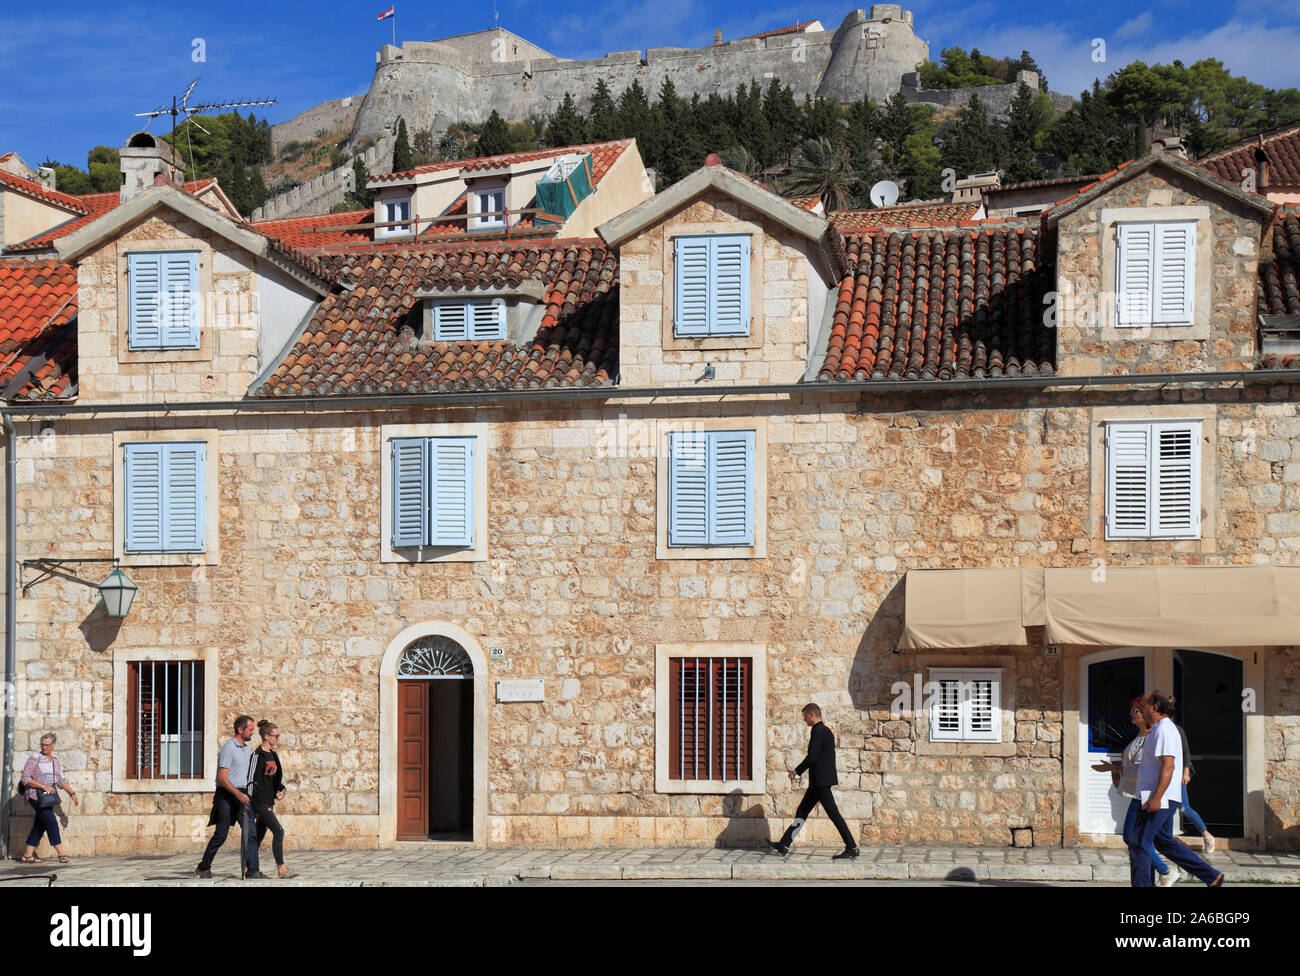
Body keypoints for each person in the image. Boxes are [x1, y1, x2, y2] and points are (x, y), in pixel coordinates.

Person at [1128, 692, 1223, 888]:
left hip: (1158, 799)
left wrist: (1156, 798)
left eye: (1143, 705)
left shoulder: (1164, 730)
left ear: (1154, 707)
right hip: (1157, 797)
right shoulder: (1157, 729)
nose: (1141, 709)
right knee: (1162, 841)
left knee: (1138, 842)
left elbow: (1168, 766)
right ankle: (1211, 876)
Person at [1093, 699, 1176, 886]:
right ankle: (1152, 879)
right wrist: (1113, 769)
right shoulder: (1138, 737)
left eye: (1135, 711)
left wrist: (1117, 768)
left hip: (1145, 795)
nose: (1131, 714)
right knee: (1140, 839)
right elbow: (1128, 764)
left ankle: (1165, 871)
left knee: (1133, 837)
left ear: (1145, 714)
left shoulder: (1151, 738)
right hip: (1137, 794)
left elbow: (1143, 770)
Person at [769, 703, 859, 859]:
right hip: (818, 782)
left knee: (834, 815)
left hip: (820, 783)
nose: (804, 720)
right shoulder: (825, 731)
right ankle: (784, 844)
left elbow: (812, 757)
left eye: (805, 717)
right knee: (802, 812)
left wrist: (796, 772)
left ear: (811, 715)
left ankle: (852, 847)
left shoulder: (818, 732)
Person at [196, 714, 265, 880]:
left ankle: (253, 871)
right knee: (221, 834)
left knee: (250, 831)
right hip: (226, 795)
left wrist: (250, 792)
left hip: (242, 794)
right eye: (250, 730)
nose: (252, 733)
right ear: (240, 730)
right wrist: (238, 794)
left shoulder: (246, 749)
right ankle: (203, 867)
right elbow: (222, 777)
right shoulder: (229, 748)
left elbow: (244, 775)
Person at [17, 733, 79, 864]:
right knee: (51, 821)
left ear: (53, 745)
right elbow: (25, 779)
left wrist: (72, 794)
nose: (44, 747)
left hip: (48, 797)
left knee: (40, 824)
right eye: (42, 745)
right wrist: (42, 786)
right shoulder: (35, 758)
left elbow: (61, 780)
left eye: (47, 745)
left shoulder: (55, 760)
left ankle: (27, 855)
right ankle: (61, 853)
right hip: (35, 796)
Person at [249, 720, 297, 880]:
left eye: (279, 736)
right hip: (260, 802)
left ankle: (248, 868)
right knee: (278, 831)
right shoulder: (257, 756)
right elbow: (251, 781)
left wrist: (282, 790)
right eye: (276, 736)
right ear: (266, 736)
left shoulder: (273, 755)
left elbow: (276, 780)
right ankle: (281, 869)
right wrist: (252, 804)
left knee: (258, 836)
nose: (278, 739)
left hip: (269, 801)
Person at [1173, 710, 1215, 854]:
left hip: (1177, 774)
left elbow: (1186, 752)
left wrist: (1185, 772)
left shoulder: (1177, 730)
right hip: (1164, 775)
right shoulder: (1154, 730)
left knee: (1184, 808)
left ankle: (1207, 835)